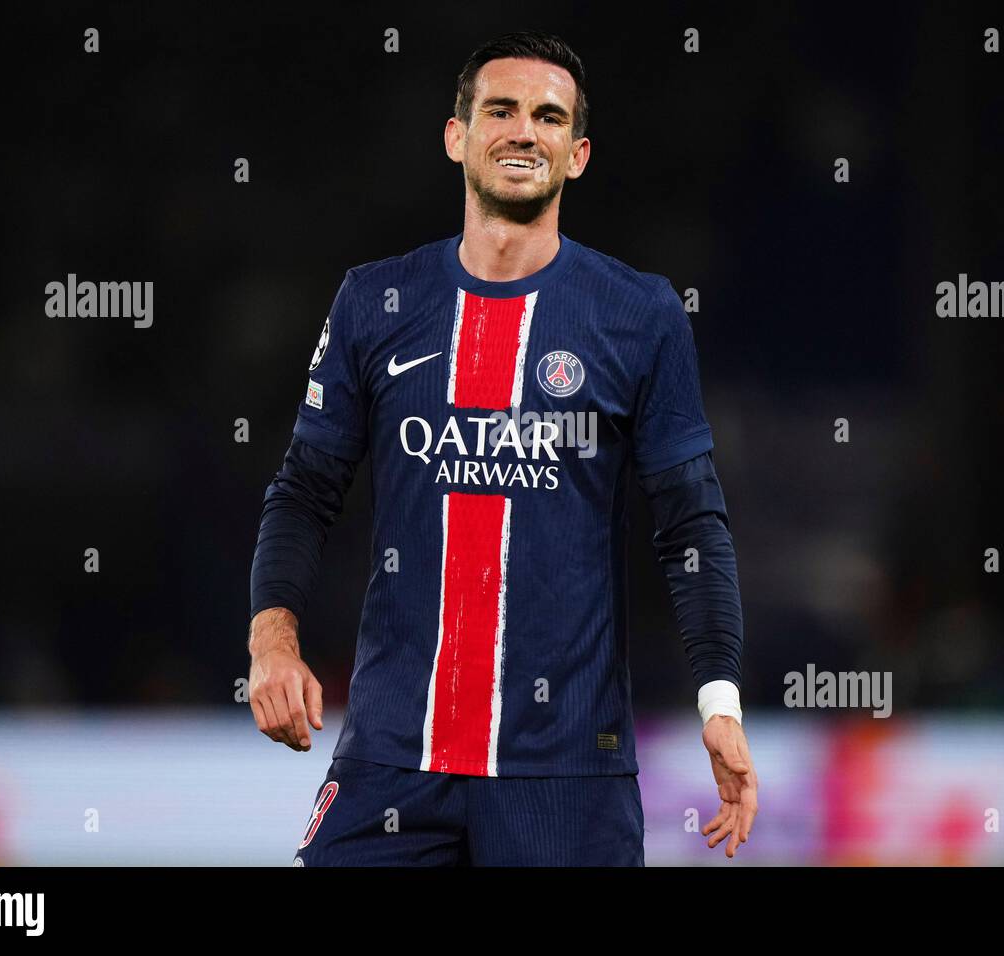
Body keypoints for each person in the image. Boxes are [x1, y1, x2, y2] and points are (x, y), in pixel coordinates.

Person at [247, 30, 754, 866]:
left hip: (566, 779)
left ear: (577, 153)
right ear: (457, 136)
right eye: (502, 110)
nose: (524, 130)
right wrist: (273, 642)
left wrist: (720, 702)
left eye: (549, 117)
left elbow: (692, 527)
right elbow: (303, 490)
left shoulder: (639, 314)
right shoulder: (376, 301)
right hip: (393, 757)